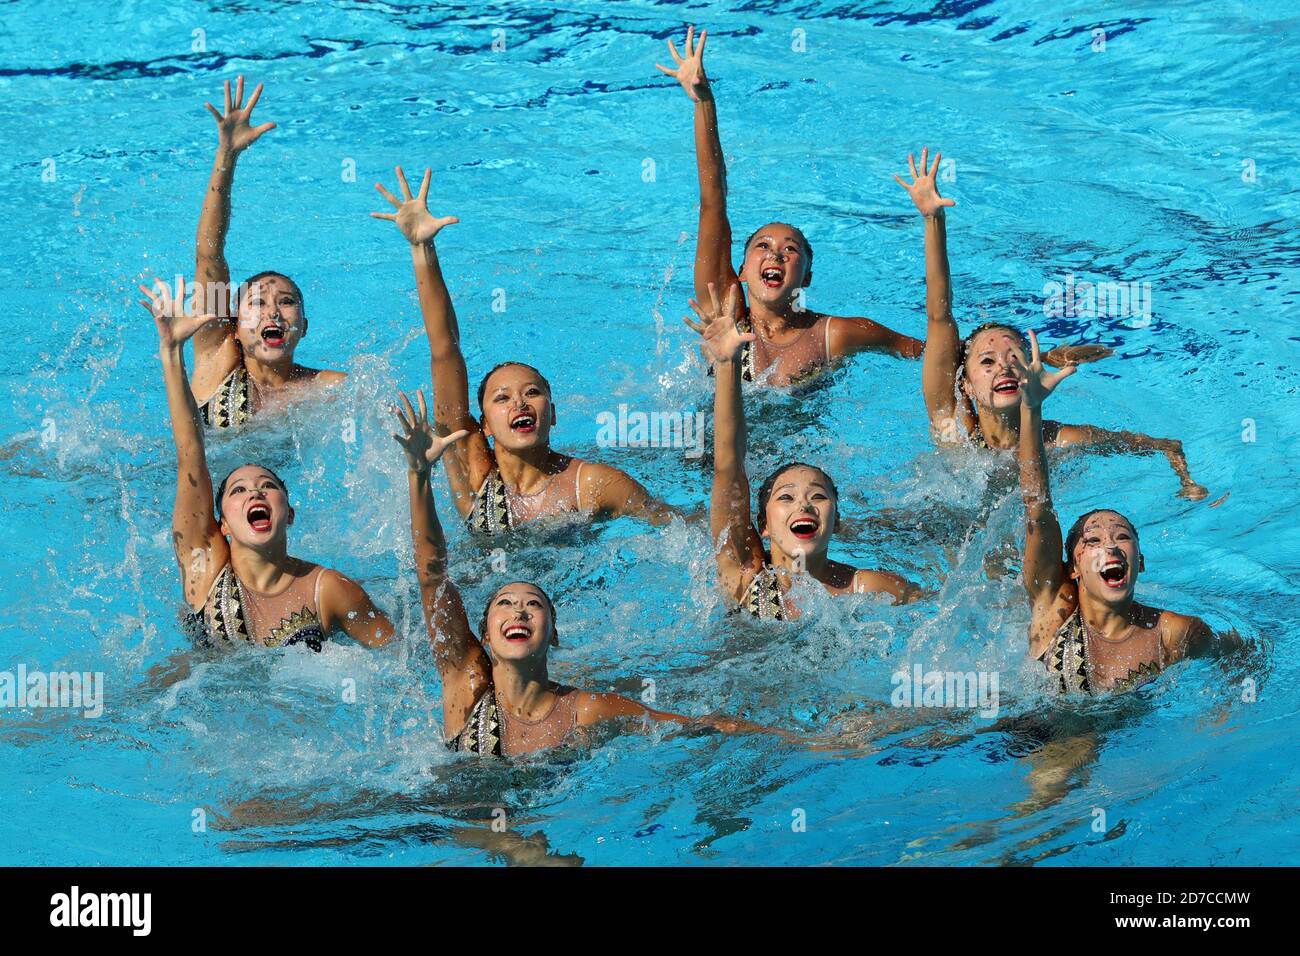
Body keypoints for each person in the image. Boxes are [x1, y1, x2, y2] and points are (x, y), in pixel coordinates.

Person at [394, 389, 786, 756]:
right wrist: (419, 478)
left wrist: (811, 741)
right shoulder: (466, 687)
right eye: (506, 604)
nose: (519, 612)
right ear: (484, 637)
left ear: (554, 634)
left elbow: (697, 725)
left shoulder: (585, 710)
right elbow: (432, 576)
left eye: (533, 605)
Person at [371, 166, 676, 535]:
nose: (520, 404)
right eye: (502, 398)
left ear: (554, 413)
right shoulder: (474, 476)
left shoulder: (593, 485)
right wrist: (422, 248)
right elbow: (444, 350)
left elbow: (674, 526)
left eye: (532, 393)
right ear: (483, 425)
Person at [897, 147, 1209, 499]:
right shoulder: (951, 423)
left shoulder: (1057, 440)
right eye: (987, 361)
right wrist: (932, 221)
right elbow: (939, 316)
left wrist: (1187, 481)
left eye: (1015, 358)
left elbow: (1163, 444)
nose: (1005, 368)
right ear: (965, 385)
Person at [656, 27, 922, 387]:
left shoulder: (834, 335)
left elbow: (921, 349)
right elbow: (712, 202)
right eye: (762, 246)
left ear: (806, 277)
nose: (775, 255)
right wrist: (704, 101)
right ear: (743, 271)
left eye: (790, 250)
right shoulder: (722, 309)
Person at [140, 276, 392, 650]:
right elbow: (191, 457)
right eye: (238, 490)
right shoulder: (204, 570)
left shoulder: (329, 591)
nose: (254, 491)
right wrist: (170, 352)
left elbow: (401, 657)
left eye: (267, 486)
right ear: (221, 524)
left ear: (290, 513)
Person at [687, 283, 920, 620]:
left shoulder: (866, 588)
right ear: (762, 525)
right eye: (785, 498)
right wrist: (727, 366)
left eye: (818, 496)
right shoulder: (745, 580)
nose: (804, 504)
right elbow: (728, 464)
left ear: (837, 521)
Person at [1013, 329, 1225, 692]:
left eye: (1122, 537)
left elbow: (1242, 653)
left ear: (1140, 561)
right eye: (1092, 540)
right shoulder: (1054, 608)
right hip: (1028, 728)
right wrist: (1030, 410)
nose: (1110, 547)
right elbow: (1038, 509)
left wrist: (1224, 716)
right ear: (1074, 568)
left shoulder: (1172, 633)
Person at [191, 76, 345, 428]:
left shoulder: (330, 389)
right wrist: (226, 157)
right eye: (257, 303)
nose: (273, 312)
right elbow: (209, 256)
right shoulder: (216, 362)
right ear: (233, 325)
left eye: (287, 302)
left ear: (304, 326)